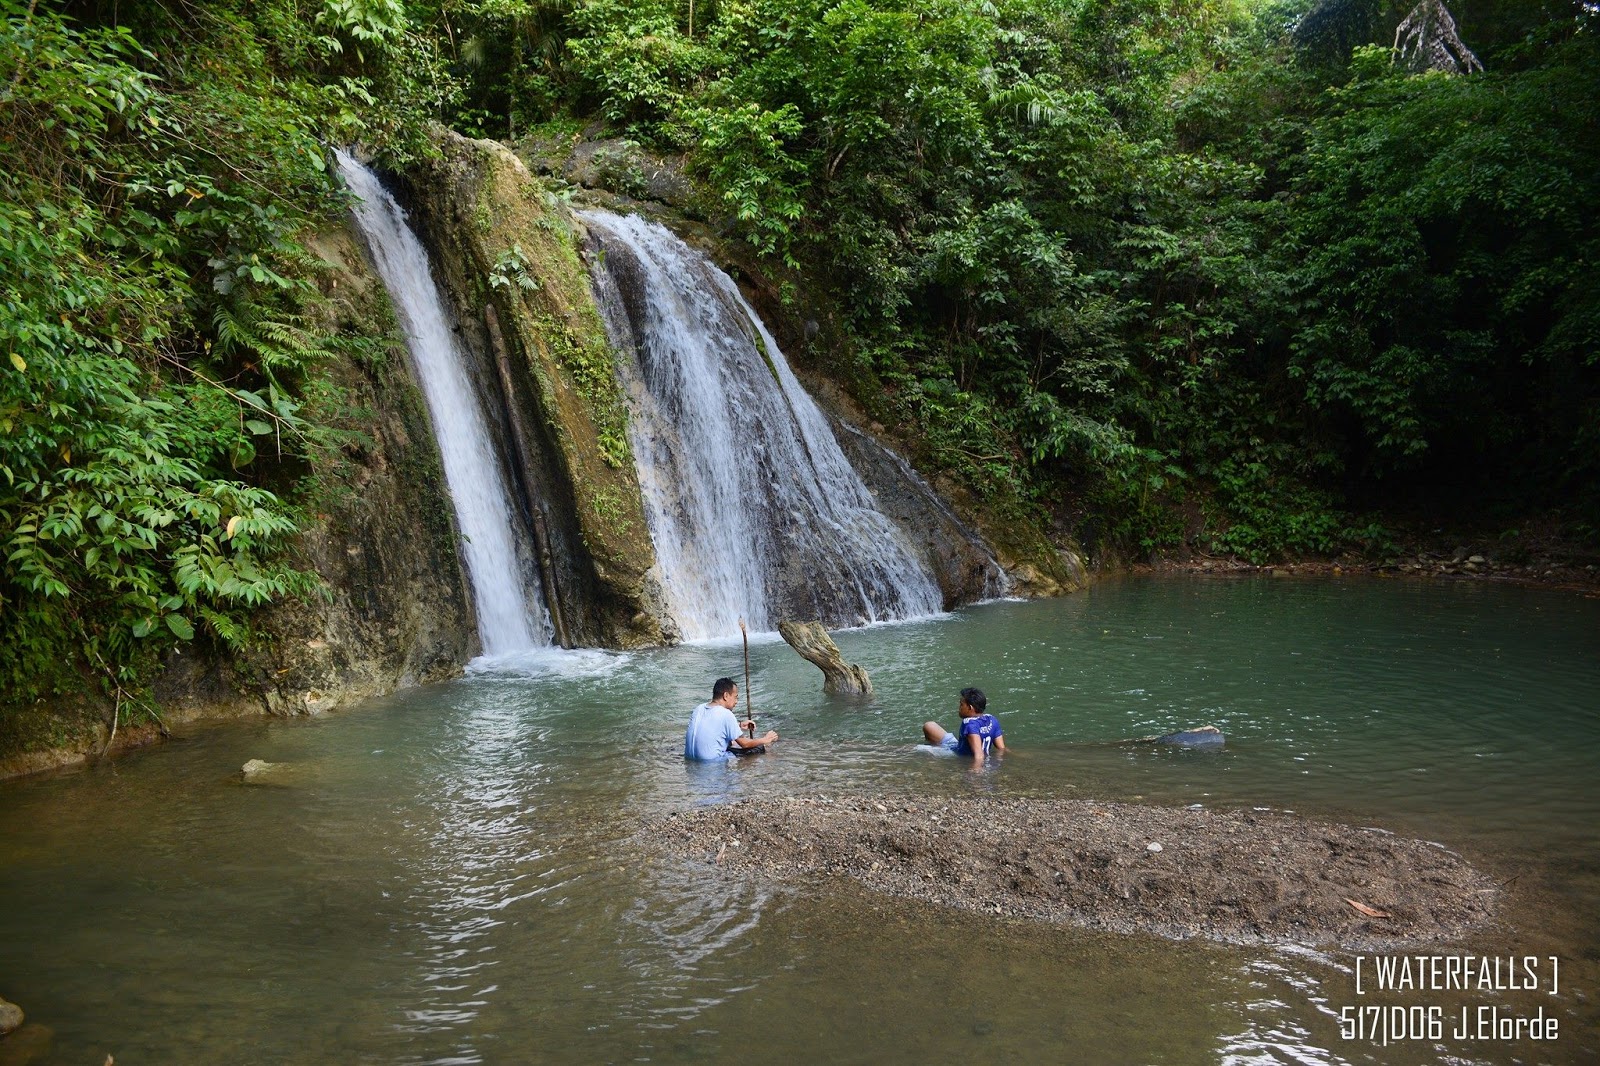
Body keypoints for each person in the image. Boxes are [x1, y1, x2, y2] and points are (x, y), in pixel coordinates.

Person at [685, 677, 778, 761]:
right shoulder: (726, 714)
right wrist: (765, 739)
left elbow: (711, 726)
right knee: (759, 748)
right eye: (735, 697)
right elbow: (744, 744)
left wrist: (739, 725)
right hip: (712, 765)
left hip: (691, 763)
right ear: (726, 696)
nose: (736, 702)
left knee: (730, 742)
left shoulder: (698, 709)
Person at [922, 687, 1005, 764]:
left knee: (915, 749)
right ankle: (936, 746)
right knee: (929, 726)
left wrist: (975, 773)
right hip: (957, 745)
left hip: (956, 753)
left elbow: (979, 755)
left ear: (970, 707)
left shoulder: (970, 724)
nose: (959, 708)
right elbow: (1001, 749)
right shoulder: (992, 719)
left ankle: (937, 752)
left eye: (961, 704)